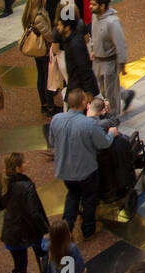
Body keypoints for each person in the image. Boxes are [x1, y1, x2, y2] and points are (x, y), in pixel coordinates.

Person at [48, 87, 116, 240]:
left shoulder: (56, 119)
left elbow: (52, 141)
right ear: (84, 103)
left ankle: (67, 229)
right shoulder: (88, 124)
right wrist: (111, 133)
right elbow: (103, 143)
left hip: (65, 171)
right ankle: (88, 229)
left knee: (72, 195)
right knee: (88, 198)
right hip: (86, 170)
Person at [0, 152, 49, 273]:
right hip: (31, 229)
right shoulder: (27, 185)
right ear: (18, 168)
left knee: (19, 266)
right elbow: (34, 213)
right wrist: (46, 229)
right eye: (24, 162)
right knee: (40, 251)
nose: (27, 163)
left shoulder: (2, 181)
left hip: (12, 231)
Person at [88, 0, 128, 115]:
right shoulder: (94, 17)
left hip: (109, 62)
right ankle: (125, 95)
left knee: (111, 93)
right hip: (97, 60)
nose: (90, 7)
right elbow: (94, 36)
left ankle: (114, 115)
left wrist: (122, 64)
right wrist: (93, 50)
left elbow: (120, 44)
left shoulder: (113, 22)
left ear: (103, 6)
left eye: (93, 5)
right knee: (103, 90)